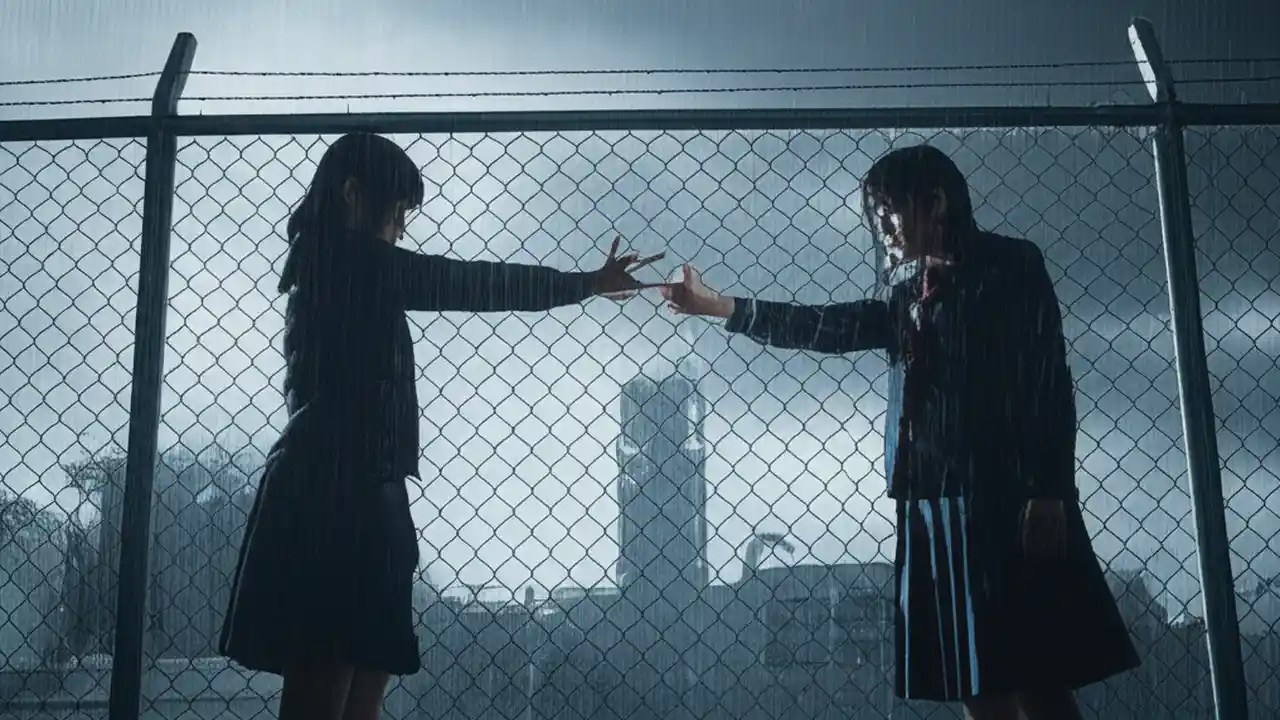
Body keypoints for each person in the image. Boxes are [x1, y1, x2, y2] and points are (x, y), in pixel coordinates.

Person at [661, 144, 1139, 720]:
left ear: (934, 203)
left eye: (888, 209)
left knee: (1036, 675)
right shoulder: (908, 293)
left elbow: (1049, 383)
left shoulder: (1012, 266)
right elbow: (827, 327)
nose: (879, 226)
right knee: (972, 678)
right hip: (931, 502)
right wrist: (719, 306)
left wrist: (1048, 490)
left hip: (1006, 497)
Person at [219, 132, 665, 720]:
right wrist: (584, 283)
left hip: (352, 488)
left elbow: (467, 283)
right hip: (342, 496)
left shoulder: (325, 270)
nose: (401, 229)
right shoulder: (354, 267)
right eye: (397, 212)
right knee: (337, 678)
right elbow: (473, 282)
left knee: (342, 678)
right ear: (356, 197)